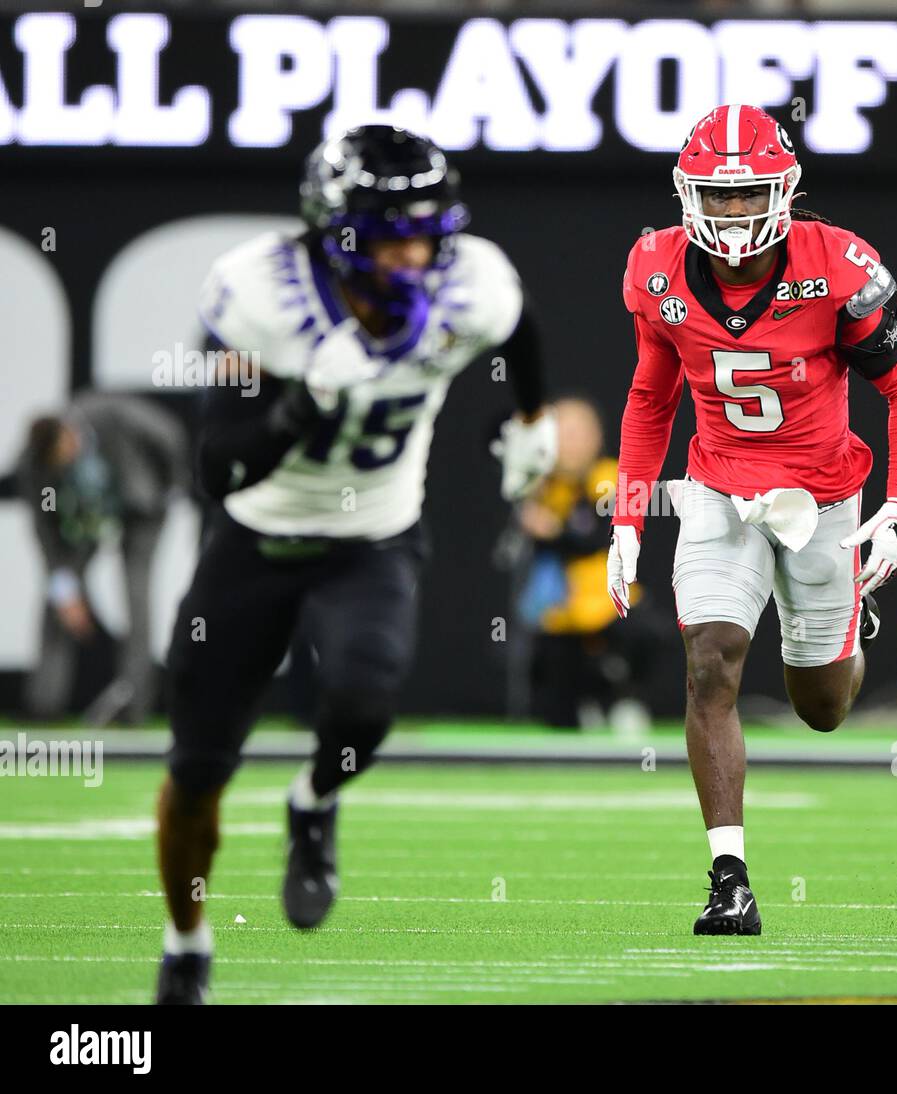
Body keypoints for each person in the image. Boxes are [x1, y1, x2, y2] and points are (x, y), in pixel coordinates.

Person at [154, 125, 556, 1004]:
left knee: (366, 702)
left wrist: (533, 423)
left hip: (372, 532)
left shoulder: (470, 283)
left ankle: (313, 801)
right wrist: (301, 407)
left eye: (427, 233)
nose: (415, 256)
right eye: (390, 234)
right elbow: (214, 467)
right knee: (197, 768)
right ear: (334, 231)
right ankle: (186, 943)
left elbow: (519, 332)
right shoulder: (258, 293)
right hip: (257, 537)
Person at [607, 105, 897, 935]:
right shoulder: (657, 271)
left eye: (748, 195)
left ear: (783, 192)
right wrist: (629, 517)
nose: (731, 215)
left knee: (821, 705)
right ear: (688, 198)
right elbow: (653, 396)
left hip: (823, 494)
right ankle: (729, 876)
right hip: (719, 486)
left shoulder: (835, 266)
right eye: (716, 199)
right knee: (710, 662)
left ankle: (846, 625)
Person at [18, 393, 189, 725]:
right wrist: (65, 589)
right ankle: (43, 706)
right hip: (83, 521)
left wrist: (171, 485)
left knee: (135, 597)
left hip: (140, 509)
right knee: (58, 601)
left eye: (63, 455)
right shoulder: (36, 464)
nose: (63, 464)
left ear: (70, 433)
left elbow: (169, 433)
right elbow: (45, 528)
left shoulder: (111, 414)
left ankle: (134, 706)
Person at [516, 397, 659, 731]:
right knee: (557, 711)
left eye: (579, 433)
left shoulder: (610, 476)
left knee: (649, 635)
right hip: (556, 614)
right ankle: (581, 705)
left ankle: (623, 697)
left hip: (608, 605)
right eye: (563, 433)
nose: (571, 443)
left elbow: (598, 534)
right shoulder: (541, 484)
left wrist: (552, 530)